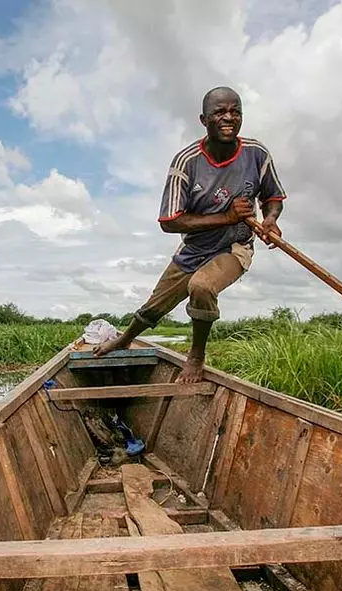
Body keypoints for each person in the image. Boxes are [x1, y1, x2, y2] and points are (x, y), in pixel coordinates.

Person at [93, 86, 285, 383]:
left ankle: (195, 356)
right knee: (154, 306)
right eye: (220, 112)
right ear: (203, 119)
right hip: (195, 249)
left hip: (235, 247)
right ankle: (124, 338)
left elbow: (272, 196)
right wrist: (227, 216)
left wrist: (270, 219)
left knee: (202, 286)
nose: (229, 118)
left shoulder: (256, 154)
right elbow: (170, 221)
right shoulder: (186, 161)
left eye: (235, 112)